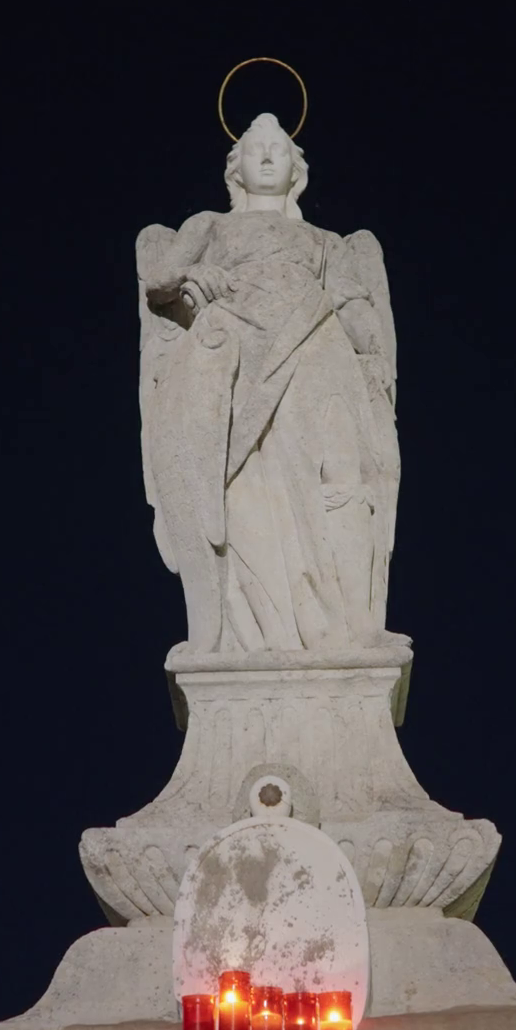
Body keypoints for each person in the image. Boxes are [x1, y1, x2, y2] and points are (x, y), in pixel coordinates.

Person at [136, 113, 405, 653]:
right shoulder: (210, 225)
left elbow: (355, 307)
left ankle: (355, 622)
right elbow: (159, 278)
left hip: (318, 343)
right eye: (254, 149)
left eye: (278, 150)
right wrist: (191, 275)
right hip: (240, 351)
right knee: (246, 483)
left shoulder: (325, 242)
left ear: (294, 170)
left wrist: (372, 347)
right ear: (234, 169)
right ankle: (256, 624)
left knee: (346, 471)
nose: (265, 157)